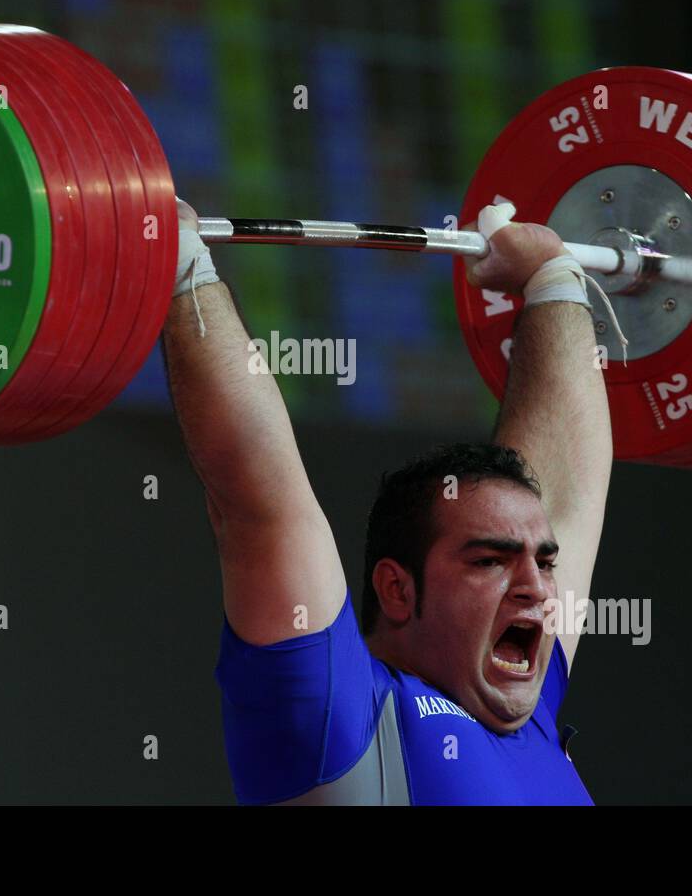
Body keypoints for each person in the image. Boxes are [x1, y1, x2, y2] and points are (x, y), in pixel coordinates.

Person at [161, 196, 612, 804]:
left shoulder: (527, 708)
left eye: (545, 560)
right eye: (489, 561)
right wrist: (181, 261)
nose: (536, 587)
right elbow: (258, 498)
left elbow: (567, 484)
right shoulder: (341, 719)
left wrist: (552, 277)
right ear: (398, 589)